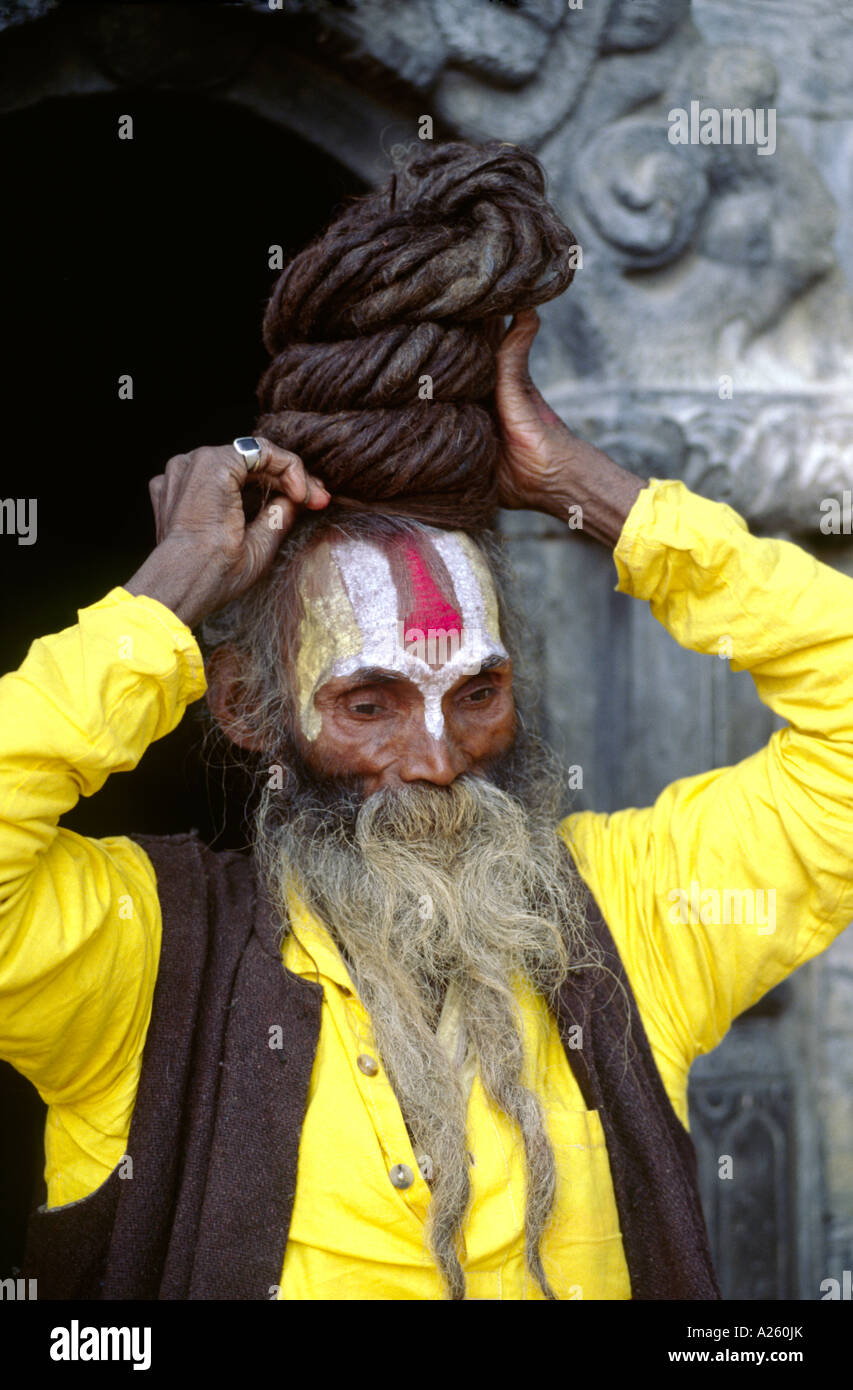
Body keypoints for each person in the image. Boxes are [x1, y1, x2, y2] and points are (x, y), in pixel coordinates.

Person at [4, 144, 853, 1302]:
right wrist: (172, 588)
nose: (439, 758)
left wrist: (589, 492)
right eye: (369, 702)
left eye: (478, 693)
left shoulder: (633, 923)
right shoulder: (144, 962)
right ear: (255, 709)